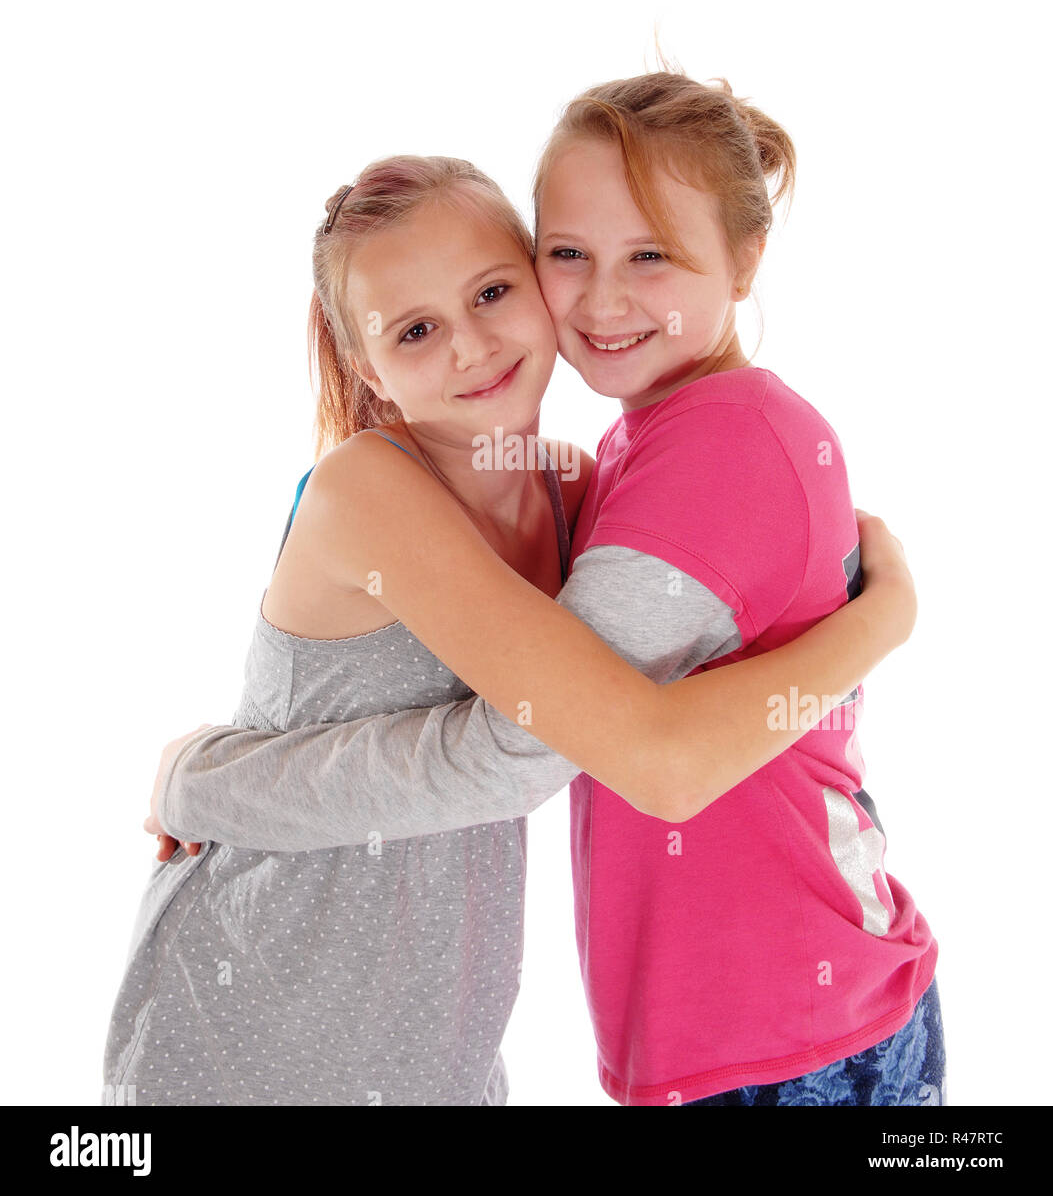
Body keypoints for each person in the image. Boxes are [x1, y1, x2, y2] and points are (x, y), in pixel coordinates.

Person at [119, 135, 918, 1108]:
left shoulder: (573, 488)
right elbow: (537, 750)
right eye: (414, 331)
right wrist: (202, 783)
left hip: (435, 1034)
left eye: (492, 292)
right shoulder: (364, 489)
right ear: (368, 371)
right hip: (264, 1005)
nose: (471, 344)